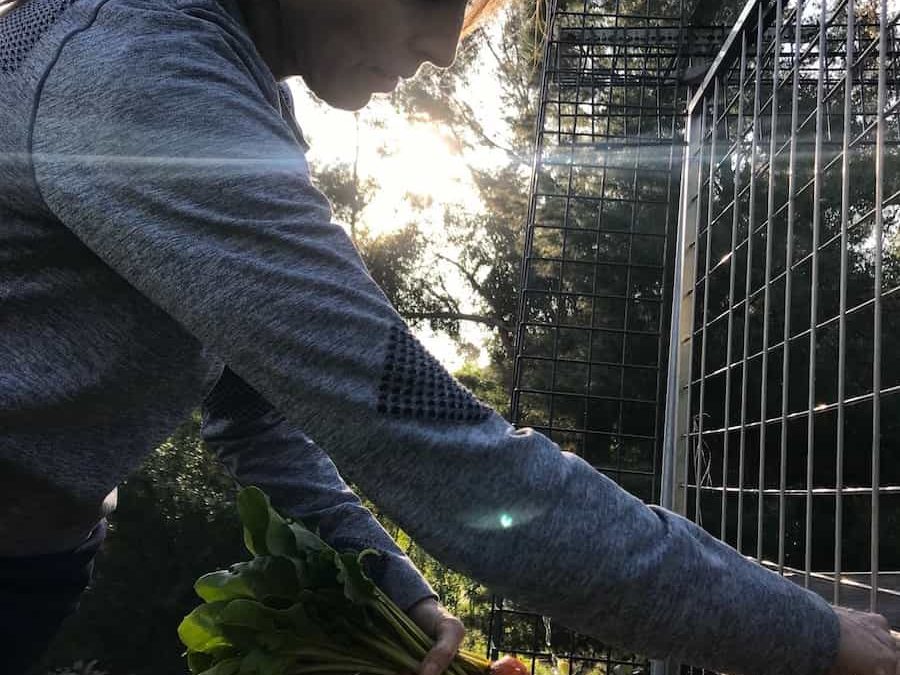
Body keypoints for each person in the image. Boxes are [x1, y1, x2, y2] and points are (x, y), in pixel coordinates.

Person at [0, 0, 896, 673]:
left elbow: (256, 417)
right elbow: (426, 434)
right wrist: (811, 637)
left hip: (35, 571)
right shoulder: (142, 81)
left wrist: (399, 592)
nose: (441, 47)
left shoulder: (227, 83)